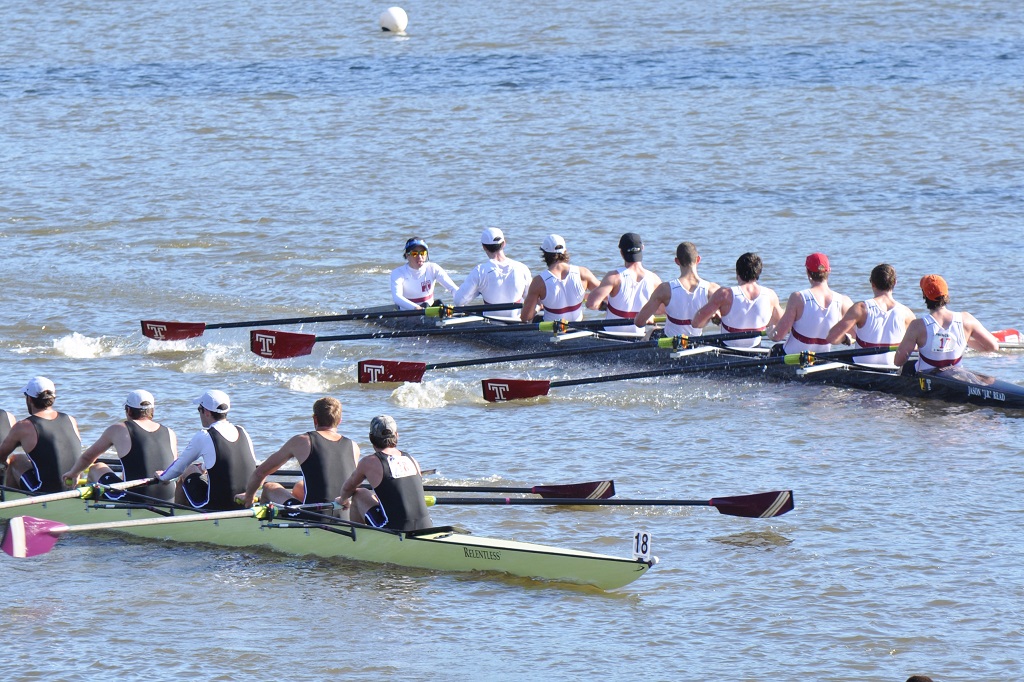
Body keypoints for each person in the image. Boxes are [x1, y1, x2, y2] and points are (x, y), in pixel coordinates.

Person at [236, 397, 358, 519]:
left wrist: (249, 497)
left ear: (315, 419)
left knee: (269, 487)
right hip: (346, 517)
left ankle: (262, 525)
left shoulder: (303, 441)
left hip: (313, 518)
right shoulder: (353, 446)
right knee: (300, 486)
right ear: (339, 421)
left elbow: (260, 473)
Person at [62, 389, 177, 500]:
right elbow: (175, 468)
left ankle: (87, 507)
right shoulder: (170, 432)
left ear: (128, 410)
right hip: (169, 498)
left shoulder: (118, 429)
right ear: (152, 411)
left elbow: (88, 457)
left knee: (97, 468)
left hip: (135, 499)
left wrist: (73, 473)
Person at [155, 389, 257, 510]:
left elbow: (179, 466)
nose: (199, 413)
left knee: (188, 471)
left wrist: (163, 477)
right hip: (246, 502)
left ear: (207, 412)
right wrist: (204, 467)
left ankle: (177, 514)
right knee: (198, 469)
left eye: (199, 409)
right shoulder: (242, 431)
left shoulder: (205, 435)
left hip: (216, 506)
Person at [337, 415, 433, 531]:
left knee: (360, 493)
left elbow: (348, 488)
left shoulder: (369, 462)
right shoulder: (412, 460)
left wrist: (343, 500)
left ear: (371, 438)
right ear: (396, 435)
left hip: (396, 530)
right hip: (426, 527)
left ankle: (357, 538)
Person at [894, 274, 999, 371]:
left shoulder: (917, 326)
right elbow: (993, 347)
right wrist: (967, 341)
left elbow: (898, 361)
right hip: (956, 376)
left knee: (907, 367)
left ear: (924, 296)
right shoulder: (966, 319)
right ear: (946, 294)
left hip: (927, 379)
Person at [0, 377, 82, 494]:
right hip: (75, 487)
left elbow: (1, 456)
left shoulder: (24, 426)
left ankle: (9, 500)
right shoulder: (70, 419)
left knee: (16, 460)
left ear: (29, 399)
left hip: (44, 493)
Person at [825, 263, 916, 366]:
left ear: (872, 284)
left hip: (860, 368)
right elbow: (917, 347)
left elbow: (832, 338)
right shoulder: (907, 313)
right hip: (891, 369)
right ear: (895, 282)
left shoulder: (861, 308)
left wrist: (845, 339)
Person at [692, 252, 783, 348]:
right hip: (755, 349)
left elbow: (696, 323)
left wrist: (713, 316)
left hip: (727, 350)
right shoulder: (770, 295)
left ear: (737, 273)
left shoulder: (724, 294)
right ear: (758, 273)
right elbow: (783, 327)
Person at [771, 253, 853, 353]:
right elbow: (856, 335)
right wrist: (844, 338)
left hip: (792, 357)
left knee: (775, 348)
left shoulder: (798, 298)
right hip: (822, 358)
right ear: (829, 271)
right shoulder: (844, 301)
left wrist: (771, 332)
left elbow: (778, 336)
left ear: (808, 272)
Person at [634, 241, 719, 337]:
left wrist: (649, 319)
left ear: (677, 261)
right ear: (698, 259)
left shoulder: (665, 289)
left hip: (670, 341)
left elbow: (639, 322)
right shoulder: (712, 290)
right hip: (696, 341)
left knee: (651, 332)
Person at [586, 232, 663, 334]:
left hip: (611, 333)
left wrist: (604, 306)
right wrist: (648, 315)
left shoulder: (614, 277)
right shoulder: (654, 279)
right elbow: (662, 310)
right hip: (638, 334)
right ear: (642, 248)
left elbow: (591, 304)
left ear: (621, 252)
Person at [454, 227, 532, 320]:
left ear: (484, 247)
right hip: (517, 322)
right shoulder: (522, 268)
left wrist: (477, 291)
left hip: (492, 324)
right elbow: (531, 299)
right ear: (504, 243)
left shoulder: (480, 271)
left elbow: (459, 301)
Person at [520, 234, 600, 323]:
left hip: (551, 329)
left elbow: (525, 317)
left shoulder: (539, 281)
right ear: (565, 251)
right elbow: (607, 295)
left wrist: (538, 307)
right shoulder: (583, 273)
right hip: (578, 326)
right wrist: (587, 296)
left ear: (544, 254)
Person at [390, 237, 459, 311]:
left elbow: (453, 289)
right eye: (414, 253)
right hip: (408, 312)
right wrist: (417, 308)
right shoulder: (398, 273)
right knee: (426, 306)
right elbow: (397, 297)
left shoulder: (433, 268)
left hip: (429, 311)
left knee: (439, 303)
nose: (420, 257)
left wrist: (461, 302)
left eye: (423, 253)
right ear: (407, 255)